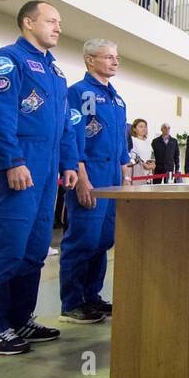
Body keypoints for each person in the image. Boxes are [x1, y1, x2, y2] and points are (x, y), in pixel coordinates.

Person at [0, 1, 79, 355]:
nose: (58, 27)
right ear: (27, 22)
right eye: (51, 21)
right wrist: (11, 161)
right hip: (20, 165)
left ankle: (20, 319)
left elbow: (64, 124)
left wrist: (68, 162)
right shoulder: (6, 62)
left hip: (48, 169)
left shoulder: (56, 72)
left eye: (59, 22)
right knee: (9, 246)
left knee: (35, 249)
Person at [59, 39, 130, 324]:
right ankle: (72, 302)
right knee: (82, 240)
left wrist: (126, 179)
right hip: (90, 174)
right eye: (109, 57)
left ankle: (92, 296)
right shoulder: (77, 93)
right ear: (90, 60)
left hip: (113, 176)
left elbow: (122, 145)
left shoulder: (117, 98)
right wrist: (82, 179)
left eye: (116, 57)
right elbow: (72, 137)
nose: (115, 62)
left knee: (103, 240)